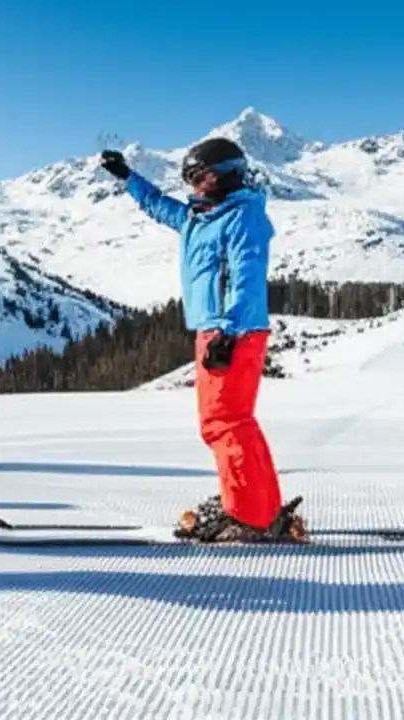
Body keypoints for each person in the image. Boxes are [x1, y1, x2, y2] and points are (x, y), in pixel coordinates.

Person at [99, 138, 305, 542]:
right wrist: (127, 177)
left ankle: (247, 515)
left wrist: (228, 331)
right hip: (217, 328)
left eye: (198, 177)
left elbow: (246, 277)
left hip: (232, 330)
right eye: (189, 179)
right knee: (236, 421)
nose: (193, 186)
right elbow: (158, 205)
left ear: (223, 174)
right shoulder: (200, 217)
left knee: (222, 422)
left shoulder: (241, 216)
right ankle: (261, 509)